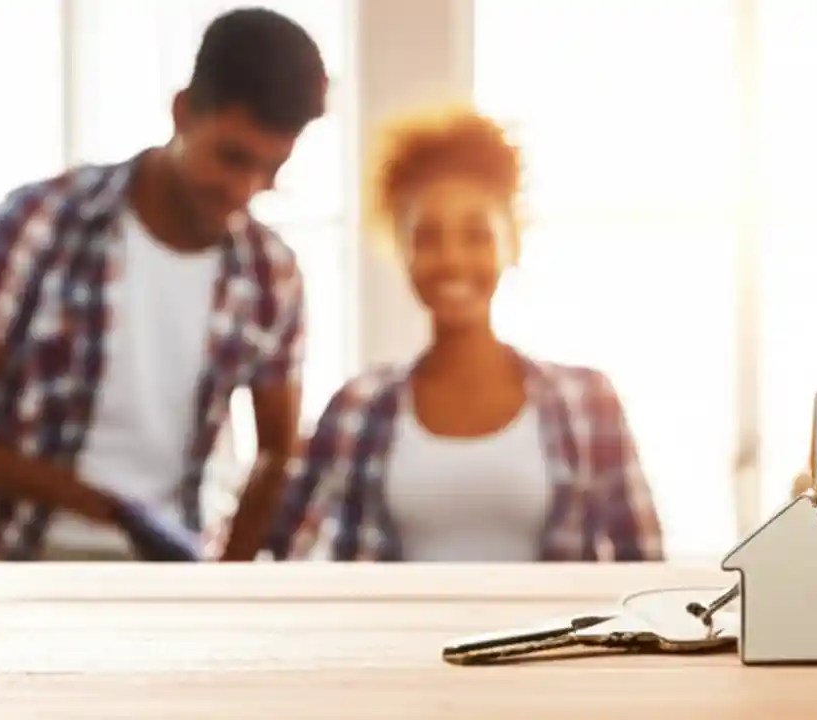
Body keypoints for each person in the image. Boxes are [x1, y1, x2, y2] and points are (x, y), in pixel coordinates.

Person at [0, 8, 326, 561]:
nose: (244, 188)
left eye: (270, 169)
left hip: (172, 575)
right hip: (22, 563)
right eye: (231, 157)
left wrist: (227, 579)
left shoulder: (269, 275)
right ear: (182, 112)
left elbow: (278, 453)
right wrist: (95, 504)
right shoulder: (34, 225)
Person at [269, 108, 664, 562]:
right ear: (402, 250)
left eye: (476, 235)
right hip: (395, 635)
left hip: (559, 636)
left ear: (511, 244)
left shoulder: (590, 401)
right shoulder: (356, 407)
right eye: (428, 237)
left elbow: (645, 569)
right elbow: (281, 558)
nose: (453, 258)